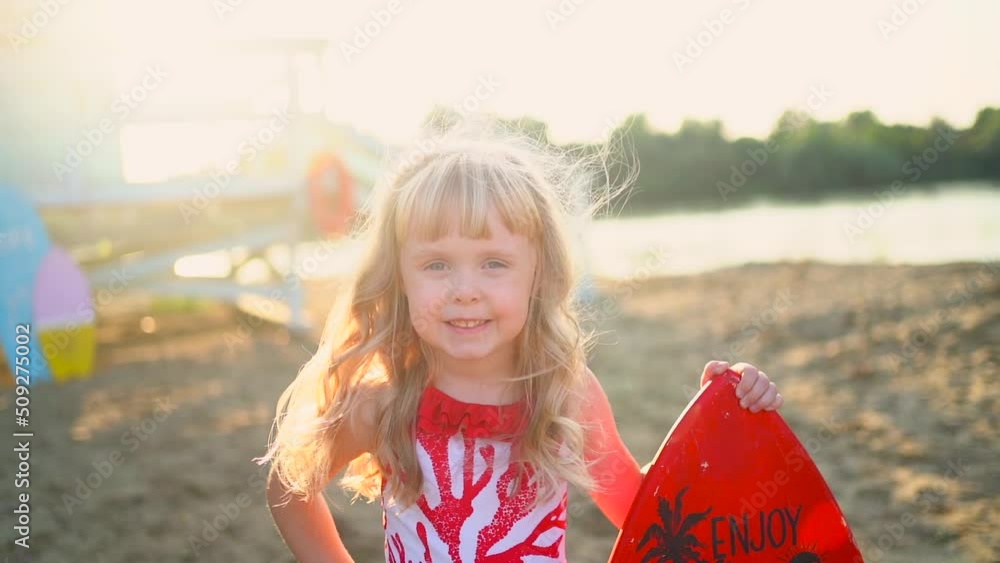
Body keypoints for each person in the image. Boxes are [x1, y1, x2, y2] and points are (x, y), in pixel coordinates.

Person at [256, 120, 784, 563]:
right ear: (399, 278)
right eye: (436, 264)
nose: (465, 291)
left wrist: (717, 419)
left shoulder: (562, 393)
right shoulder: (386, 398)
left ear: (539, 275)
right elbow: (290, 484)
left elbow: (640, 511)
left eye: (494, 264)